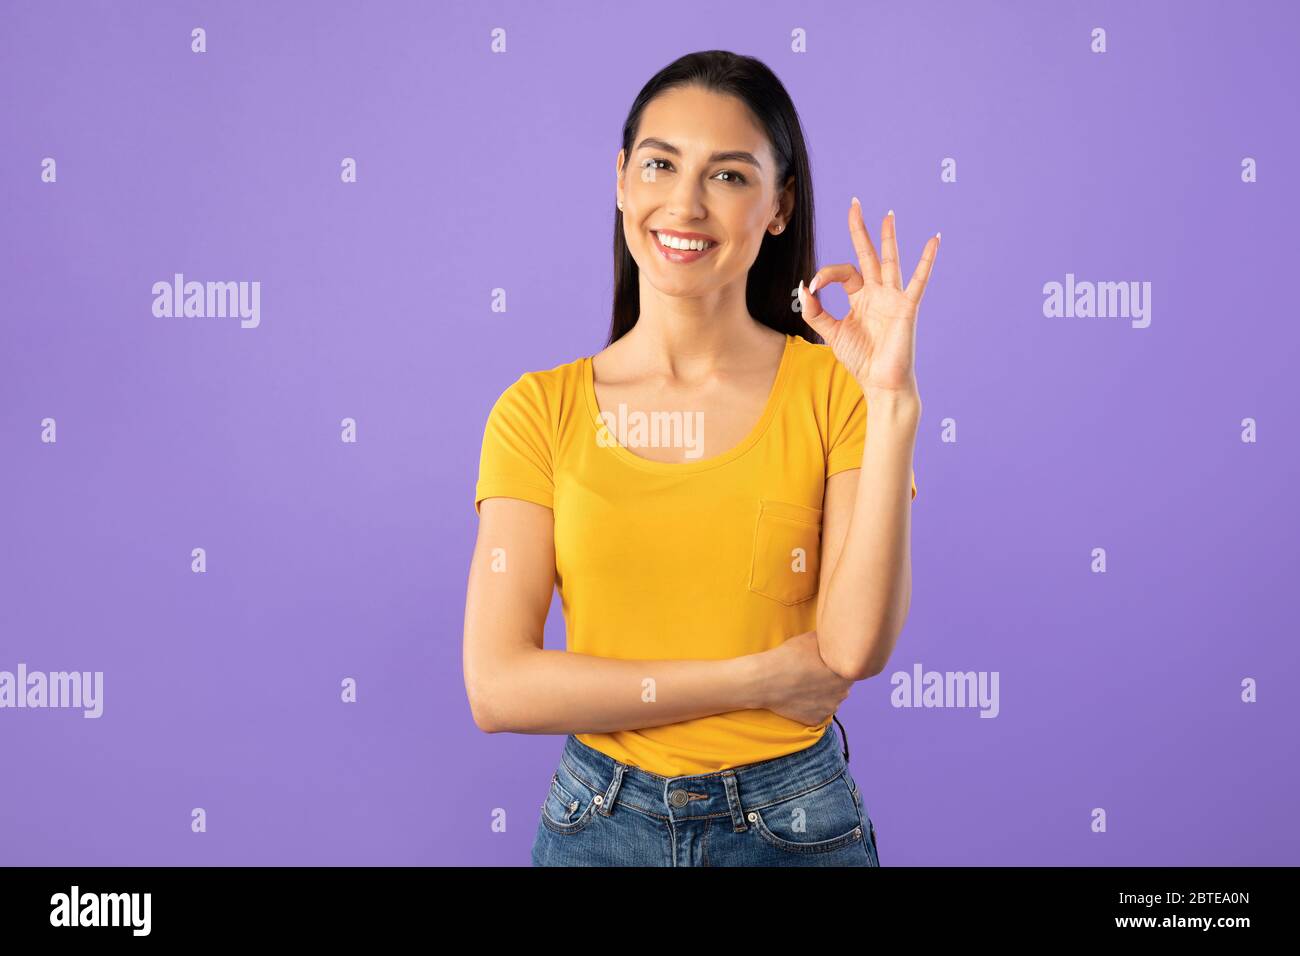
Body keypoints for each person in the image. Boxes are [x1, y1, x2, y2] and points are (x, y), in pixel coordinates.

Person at [462, 50, 937, 867]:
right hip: (597, 826)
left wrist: (893, 405)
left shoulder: (837, 390)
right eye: (659, 164)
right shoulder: (537, 412)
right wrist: (754, 681)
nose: (684, 203)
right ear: (621, 180)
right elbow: (498, 687)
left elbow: (853, 651)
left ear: (779, 205)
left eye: (728, 176)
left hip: (794, 825)